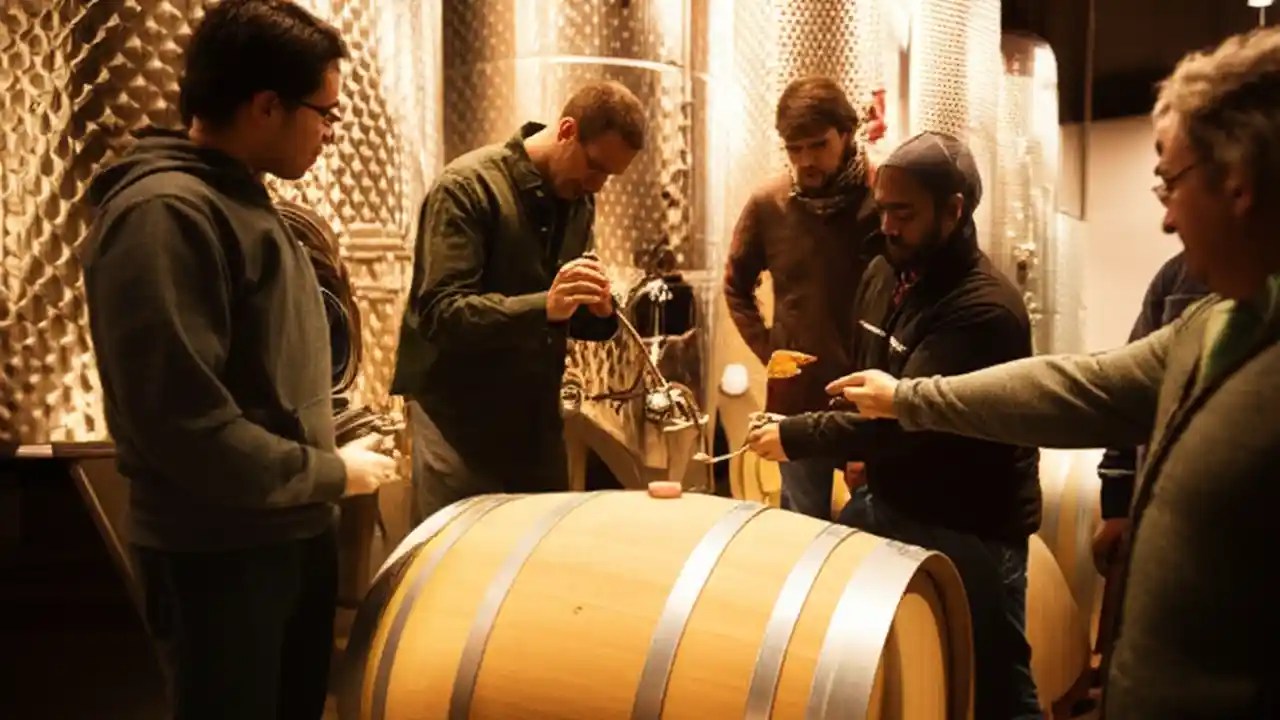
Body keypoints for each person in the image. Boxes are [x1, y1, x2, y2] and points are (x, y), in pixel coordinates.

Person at [828, 27, 1280, 719]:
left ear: (1240, 185)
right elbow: (1084, 386)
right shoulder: (1216, 324)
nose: (1164, 217)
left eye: (1171, 180)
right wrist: (909, 399)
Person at [80, 2, 398, 718]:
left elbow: (261, 380)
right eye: (325, 113)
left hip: (283, 535)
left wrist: (332, 444)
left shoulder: (247, 201)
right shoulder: (165, 215)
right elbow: (183, 424)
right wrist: (329, 472)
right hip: (221, 556)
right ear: (265, 106)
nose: (330, 133)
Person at [745, 131, 1043, 719]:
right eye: (883, 210)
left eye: (904, 213)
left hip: (972, 525)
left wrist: (797, 435)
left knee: (999, 692)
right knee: (877, 671)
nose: (888, 225)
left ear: (954, 211)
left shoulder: (982, 310)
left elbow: (906, 419)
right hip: (895, 502)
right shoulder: (885, 273)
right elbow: (869, 379)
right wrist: (853, 453)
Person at [391, 82, 645, 522]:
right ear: (567, 130)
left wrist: (599, 312)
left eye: (610, 177)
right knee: (457, 563)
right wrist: (545, 305)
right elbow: (441, 313)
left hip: (533, 418)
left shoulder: (579, 200)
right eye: (595, 167)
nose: (599, 186)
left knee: (536, 566)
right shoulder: (467, 187)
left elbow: (560, 314)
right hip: (457, 417)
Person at [723, 76, 882, 519]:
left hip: (868, 402)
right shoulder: (769, 205)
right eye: (794, 149)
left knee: (876, 533)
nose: (806, 160)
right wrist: (771, 352)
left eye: (817, 145)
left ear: (846, 135)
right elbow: (736, 285)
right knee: (803, 533)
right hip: (798, 400)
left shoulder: (882, 201)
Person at [1090, 250, 1208, 678]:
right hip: (1161, 526)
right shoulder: (1177, 279)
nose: (1169, 218)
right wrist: (1117, 504)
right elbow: (1123, 396)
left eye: (1173, 186)